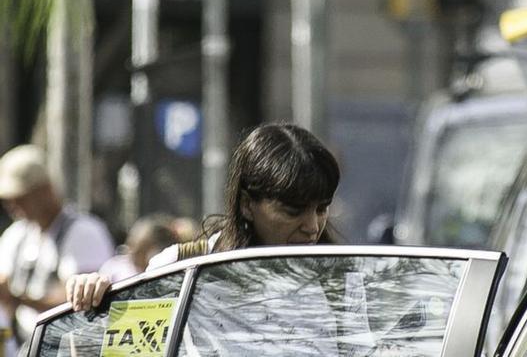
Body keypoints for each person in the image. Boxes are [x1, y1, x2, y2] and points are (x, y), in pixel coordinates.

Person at [67, 122, 341, 311]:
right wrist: (98, 298)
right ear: (246, 204)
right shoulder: (179, 269)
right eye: (292, 211)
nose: (312, 226)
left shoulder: (341, 282)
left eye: (321, 209)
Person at [0, 144, 116, 345]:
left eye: (21, 197)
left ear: (45, 190)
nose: (13, 206)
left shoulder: (85, 232)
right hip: (19, 345)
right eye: (9, 200)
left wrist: (18, 297)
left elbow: (81, 305)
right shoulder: (16, 234)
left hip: (64, 347)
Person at [98, 214, 179, 282]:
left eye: (142, 250)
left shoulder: (167, 272)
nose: (132, 252)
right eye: (131, 244)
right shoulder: (113, 269)